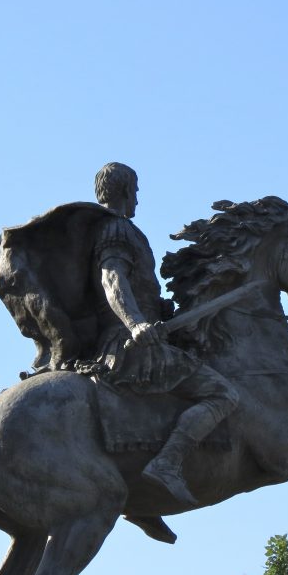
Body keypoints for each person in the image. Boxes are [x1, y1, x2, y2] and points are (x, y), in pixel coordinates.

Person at [88, 162, 239, 506]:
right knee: (224, 394)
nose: (138, 198)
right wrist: (136, 323)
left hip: (140, 333)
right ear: (125, 191)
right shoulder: (116, 229)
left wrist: (162, 312)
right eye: (136, 190)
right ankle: (168, 463)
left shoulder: (115, 228)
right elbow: (112, 279)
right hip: (130, 345)